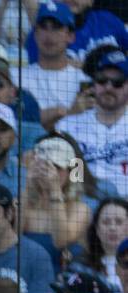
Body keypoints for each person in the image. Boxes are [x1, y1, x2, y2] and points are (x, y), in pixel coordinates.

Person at [55, 48, 128, 202]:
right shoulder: (67, 126)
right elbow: (68, 177)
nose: (108, 87)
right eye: (102, 80)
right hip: (80, 206)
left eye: (117, 82)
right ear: (94, 83)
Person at [19, 136, 90, 267]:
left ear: (70, 172)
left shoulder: (80, 209)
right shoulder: (22, 202)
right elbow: (13, 239)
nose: (49, 172)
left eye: (56, 167)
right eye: (44, 165)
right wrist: (28, 186)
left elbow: (60, 241)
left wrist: (55, 191)